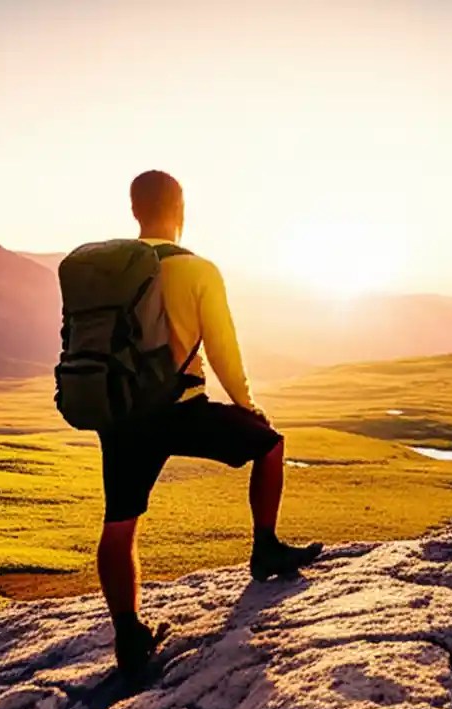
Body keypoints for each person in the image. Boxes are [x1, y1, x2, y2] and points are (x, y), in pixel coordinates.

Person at [98, 170, 322, 676]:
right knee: (269, 445)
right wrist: (246, 403)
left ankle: (129, 638)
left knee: (120, 521)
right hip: (181, 409)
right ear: (180, 210)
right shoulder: (198, 270)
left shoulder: (105, 268)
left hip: (122, 413)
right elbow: (221, 347)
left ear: (135, 211)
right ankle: (265, 549)